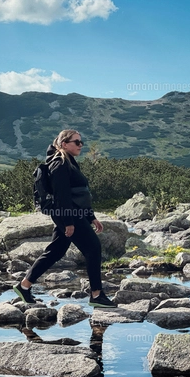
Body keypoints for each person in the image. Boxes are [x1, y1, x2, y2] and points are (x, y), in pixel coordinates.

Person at [13, 129, 116, 308]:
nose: (80, 145)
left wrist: (91, 217)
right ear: (64, 144)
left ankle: (24, 286)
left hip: (74, 214)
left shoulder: (69, 162)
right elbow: (62, 197)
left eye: (81, 142)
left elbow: (80, 194)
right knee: (93, 248)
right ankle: (96, 294)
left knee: (56, 251)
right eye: (77, 142)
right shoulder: (59, 164)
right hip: (70, 216)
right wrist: (67, 222)